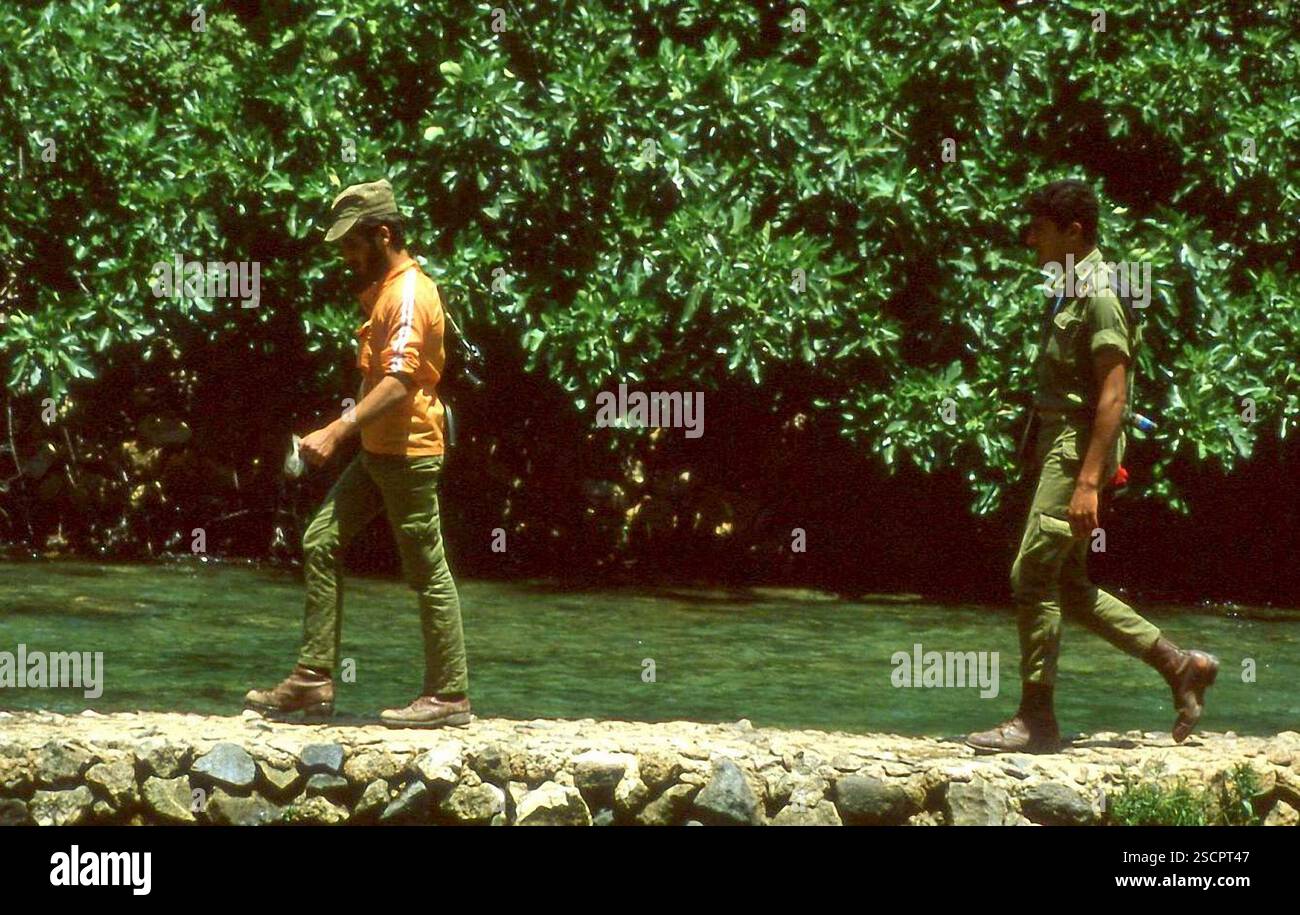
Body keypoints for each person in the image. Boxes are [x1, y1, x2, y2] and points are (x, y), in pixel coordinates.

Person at [966, 179, 1217, 753]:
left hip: (1077, 453)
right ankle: (1180, 665)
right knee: (1068, 586)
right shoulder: (1069, 287)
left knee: (1031, 574)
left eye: (1040, 228)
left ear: (1073, 232)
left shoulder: (1100, 292)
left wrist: (1086, 481)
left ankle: (1036, 721)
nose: (1029, 238)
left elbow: (1113, 397)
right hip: (1061, 446)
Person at [245, 179, 471, 728]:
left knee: (427, 572)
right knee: (320, 540)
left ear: (384, 234)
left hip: (410, 455)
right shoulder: (385, 291)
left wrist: (335, 430)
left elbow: (398, 381)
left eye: (352, 243)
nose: (345, 256)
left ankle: (449, 695)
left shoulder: (411, 293)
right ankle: (313, 680)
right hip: (378, 452)